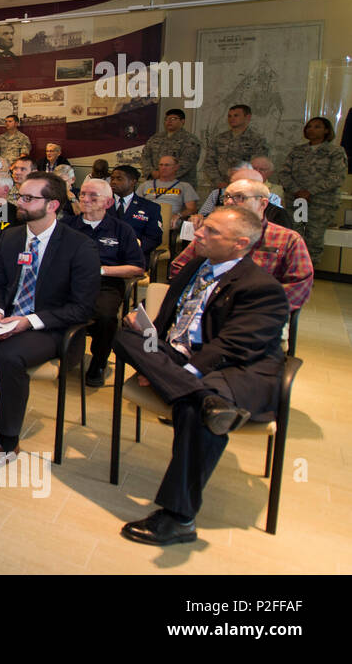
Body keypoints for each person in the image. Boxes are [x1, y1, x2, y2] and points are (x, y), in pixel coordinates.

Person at [113, 206, 288, 545]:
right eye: (202, 227)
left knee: (195, 412)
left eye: (211, 232)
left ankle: (179, 518)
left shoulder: (261, 287)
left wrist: (176, 373)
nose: (199, 235)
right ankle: (203, 397)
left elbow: (233, 346)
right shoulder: (197, 266)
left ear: (240, 243)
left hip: (231, 367)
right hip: (178, 355)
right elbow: (169, 317)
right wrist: (150, 339)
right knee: (125, 336)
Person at [0, 172, 100, 468]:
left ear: (52, 205)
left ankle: (8, 441)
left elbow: (82, 308)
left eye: (28, 198)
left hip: (49, 326)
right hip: (6, 314)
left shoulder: (79, 246)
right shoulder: (12, 236)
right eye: (19, 196)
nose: (19, 203)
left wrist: (28, 321)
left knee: (9, 356)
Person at [168, 179, 313, 312]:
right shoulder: (209, 232)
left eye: (239, 197)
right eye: (226, 197)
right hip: (208, 305)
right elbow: (179, 267)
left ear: (262, 204)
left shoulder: (287, 239)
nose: (229, 202)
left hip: (260, 311)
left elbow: (299, 285)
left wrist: (261, 306)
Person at [64, 179, 146, 386]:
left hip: (105, 283)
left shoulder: (122, 230)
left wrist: (101, 270)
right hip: (68, 281)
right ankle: (57, 351)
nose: (85, 199)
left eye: (93, 196)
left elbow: (137, 268)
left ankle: (98, 363)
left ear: (108, 203)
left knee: (106, 317)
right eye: (83, 194)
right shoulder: (66, 225)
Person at [277, 116, 347, 263]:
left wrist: (310, 192)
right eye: (309, 127)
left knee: (313, 239)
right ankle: (293, 268)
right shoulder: (297, 151)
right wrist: (297, 191)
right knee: (295, 236)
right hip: (297, 201)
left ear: (326, 130)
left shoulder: (335, 151)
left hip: (320, 203)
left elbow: (336, 177)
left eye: (317, 127)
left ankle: (308, 271)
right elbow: (284, 173)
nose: (311, 130)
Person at [204, 104, 270, 190]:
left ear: (248, 117)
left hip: (245, 188)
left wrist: (241, 183)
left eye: (236, 115)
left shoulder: (257, 140)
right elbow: (209, 163)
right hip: (219, 187)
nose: (232, 119)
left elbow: (257, 166)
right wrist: (219, 182)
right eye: (229, 116)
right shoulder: (219, 138)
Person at [109, 164, 163, 262]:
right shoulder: (101, 204)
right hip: (105, 255)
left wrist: (132, 249)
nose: (114, 182)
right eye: (112, 178)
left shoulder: (150, 207)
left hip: (134, 256)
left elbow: (154, 238)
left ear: (133, 182)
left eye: (119, 179)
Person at [137, 155, 199, 230]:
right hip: (146, 217)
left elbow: (192, 209)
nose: (163, 168)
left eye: (167, 165)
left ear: (176, 167)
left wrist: (178, 215)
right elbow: (135, 203)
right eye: (161, 165)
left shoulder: (184, 186)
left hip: (170, 220)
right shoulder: (146, 185)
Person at [140, 108, 201, 185]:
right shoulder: (156, 138)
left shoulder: (190, 140)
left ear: (182, 121)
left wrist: (164, 175)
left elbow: (186, 163)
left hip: (180, 184)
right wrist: (151, 172)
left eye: (173, 119)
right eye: (166, 119)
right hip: (155, 183)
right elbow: (145, 156)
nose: (169, 121)